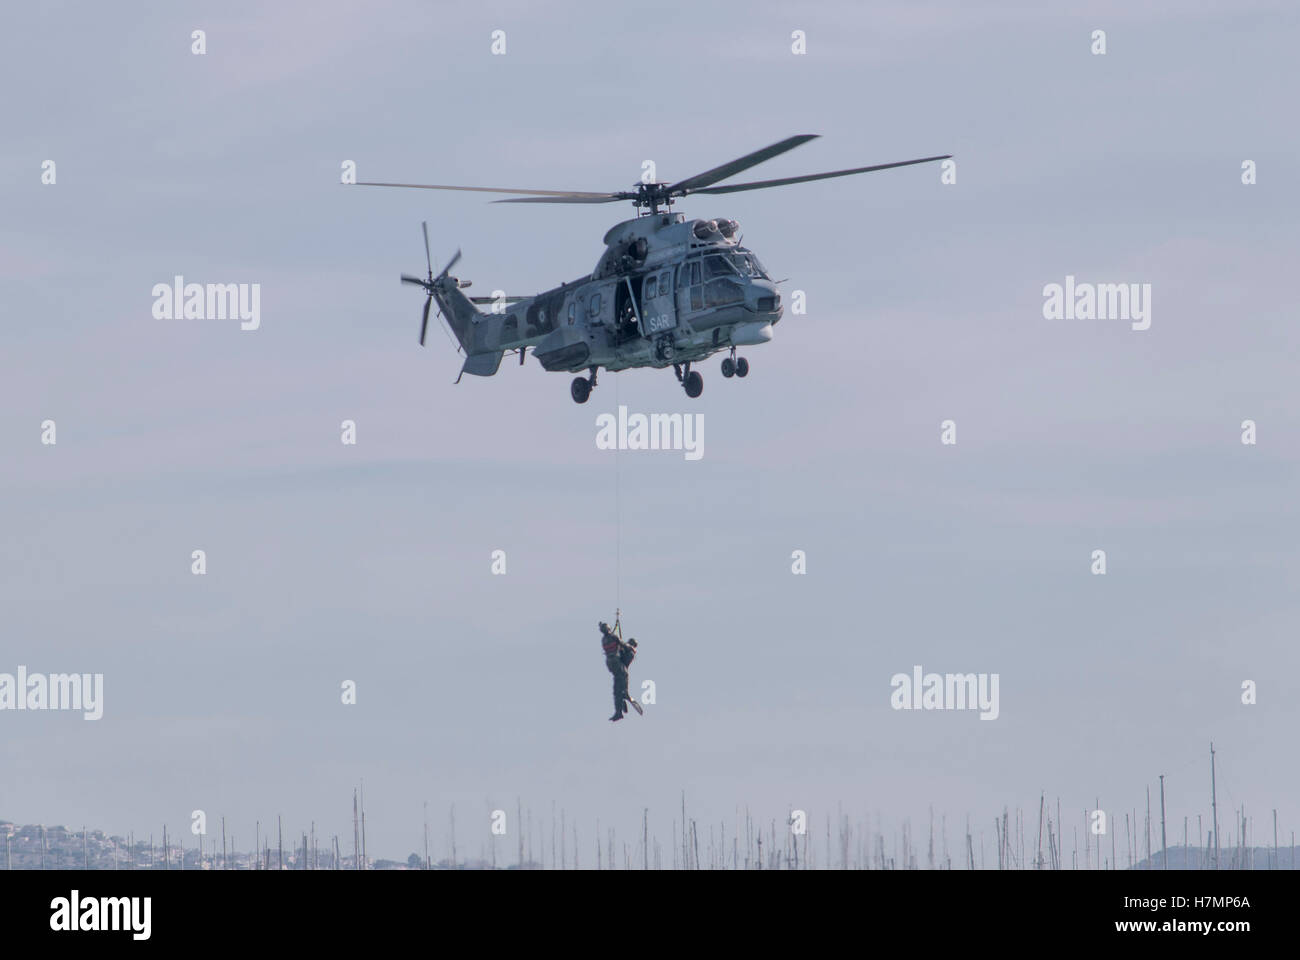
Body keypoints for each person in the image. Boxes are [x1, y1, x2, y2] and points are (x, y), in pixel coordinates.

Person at [600, 621, 640, 721]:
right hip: (616, 664)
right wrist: (630, 647)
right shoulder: (615, 639)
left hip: (611, 664)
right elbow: (624, 645)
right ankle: (624, 693)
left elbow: (622, 646)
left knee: (616, 689)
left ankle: (618, 711)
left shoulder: (604, 639)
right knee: (624, 675)